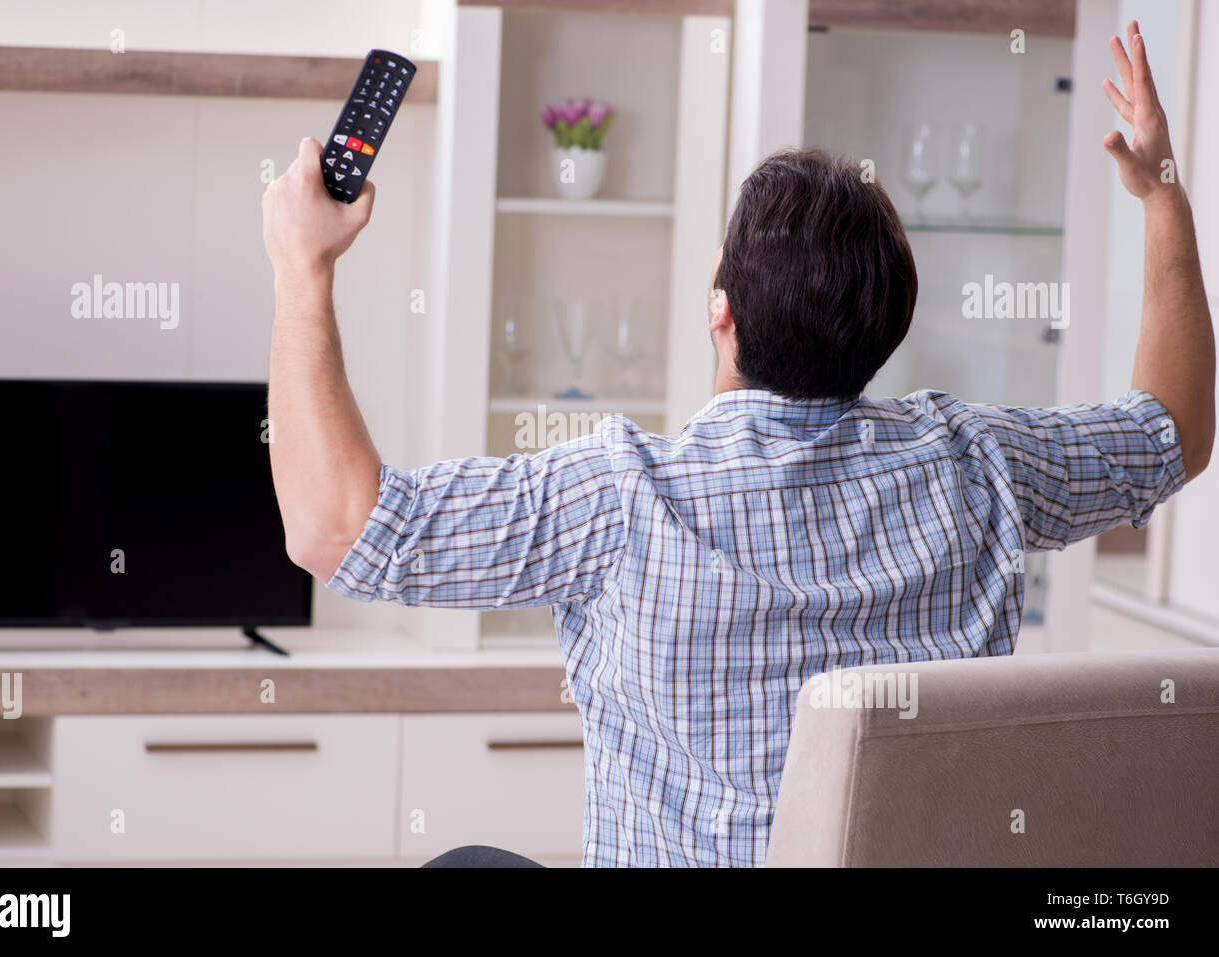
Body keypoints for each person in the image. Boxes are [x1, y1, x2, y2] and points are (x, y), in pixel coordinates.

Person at [261, 22, 1212, 867]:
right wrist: (1161, 192)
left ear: (720, 312)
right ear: (886, 326)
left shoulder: (623, 494)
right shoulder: (976, 463)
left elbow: (338, 528)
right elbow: (1175, 427)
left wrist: (302, 270)